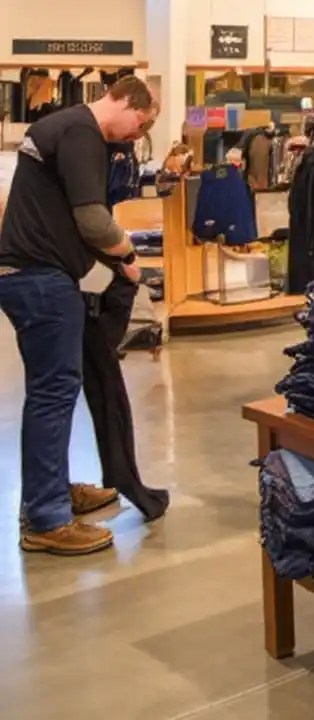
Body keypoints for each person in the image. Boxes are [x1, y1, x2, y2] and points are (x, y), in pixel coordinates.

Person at [0, 76, 158, 555]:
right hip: (40, 280)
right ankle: (47, 520)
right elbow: (91, 219)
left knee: (51, 392)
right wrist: (128, 255)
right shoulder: (81, 133)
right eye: (142, 122)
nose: (138, 135)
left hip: (30, 277)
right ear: (127, 102)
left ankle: (50, 493)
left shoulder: (61, 127)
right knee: (54, 393)